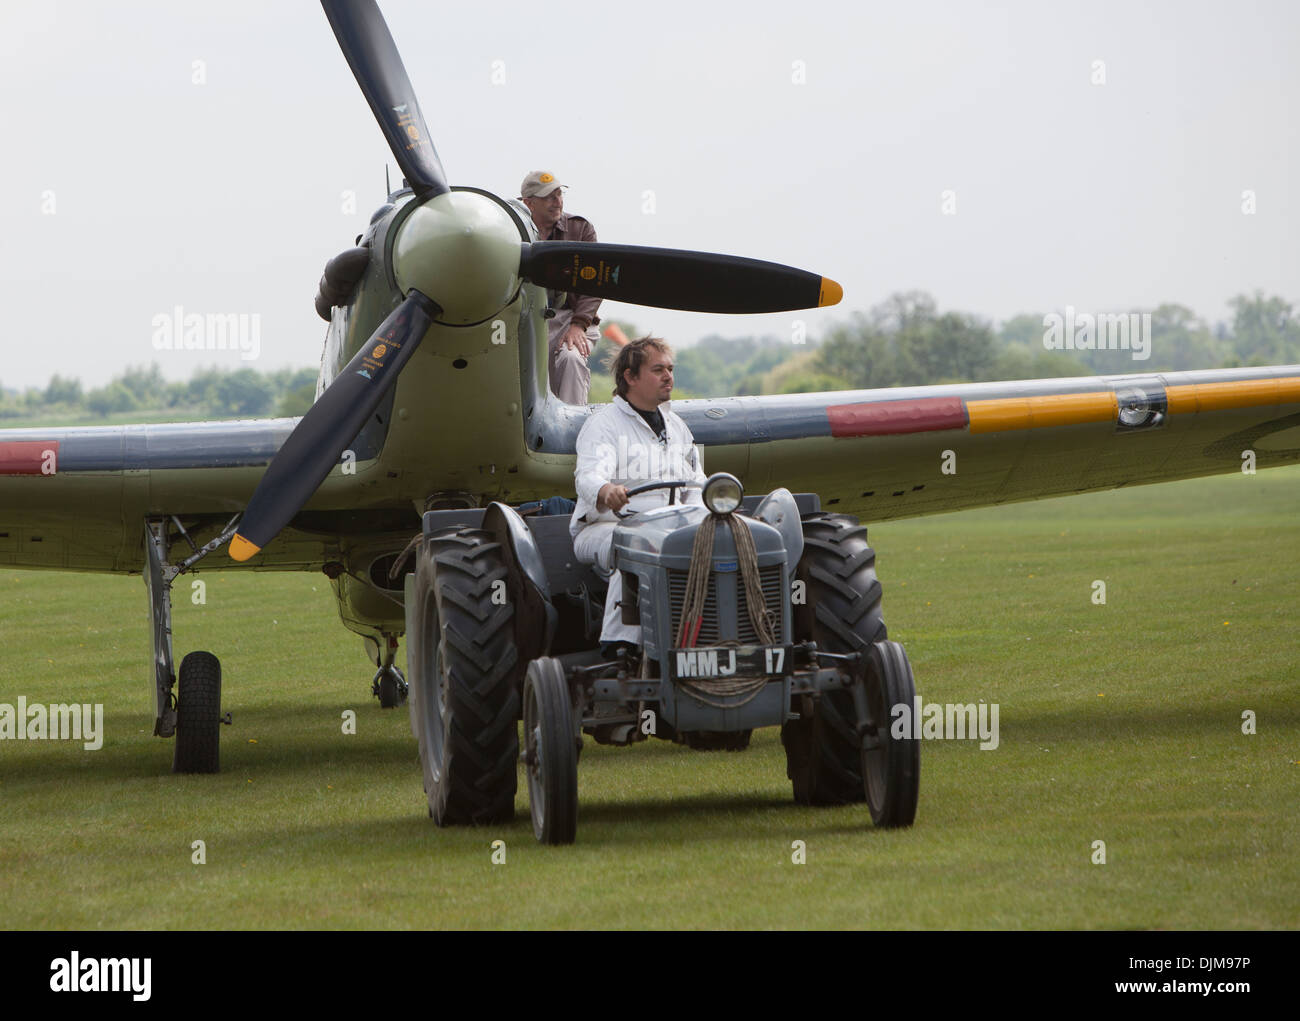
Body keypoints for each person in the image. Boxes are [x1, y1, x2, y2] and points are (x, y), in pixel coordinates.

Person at [570, 336, 708, 653]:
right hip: (604, 527)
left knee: (720, 541)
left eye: (670, 369)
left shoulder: (678, 427)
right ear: (630, 377)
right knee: (638, 545)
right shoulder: (602, 425)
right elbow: (588, 475)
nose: (668, 376)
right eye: (658, 369)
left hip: (670, 527)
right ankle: (621, 644)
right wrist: (606, 491)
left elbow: (697, 482)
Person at [519, 170, 601, 404]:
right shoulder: (510, 230)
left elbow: (594, 284)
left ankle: (572, 434)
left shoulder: (581, 229)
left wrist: (579, 325)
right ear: (528, 203)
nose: (557, 202)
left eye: (559, 194)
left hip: (570, 318)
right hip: (523, 321)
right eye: (549, 197)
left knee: (572, 359)